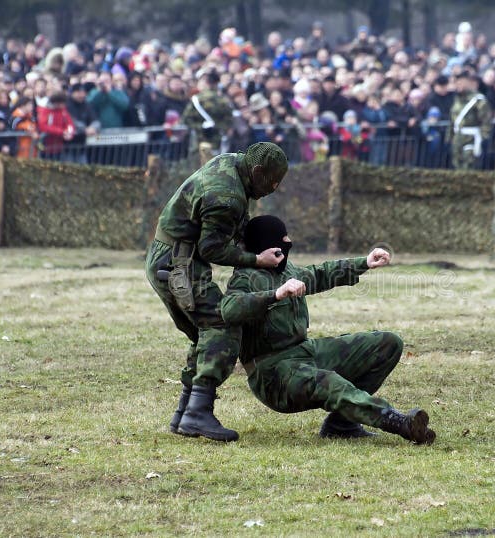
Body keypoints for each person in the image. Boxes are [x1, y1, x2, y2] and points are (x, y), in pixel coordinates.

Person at [220, 215, 436, 444]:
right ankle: (400, 423)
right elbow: (229, 310)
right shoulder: (244, 278)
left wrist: (364, 262)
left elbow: (320, 274)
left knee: (388, 344)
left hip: (305, 352)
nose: (288, 244)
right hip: (274, 375)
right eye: (283, 241)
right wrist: (275, 294)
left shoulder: (284, 270)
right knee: (332, 384)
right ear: (267, 245)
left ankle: (341, 425)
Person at [145, 141, 288, 442]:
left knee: (204, 331)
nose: (274, 187)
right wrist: (255, 259)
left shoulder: (234, 165)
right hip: (177, 263)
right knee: (221, 322)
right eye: (272, 181)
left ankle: (185, 411)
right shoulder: (227, 195)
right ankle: (197, 413)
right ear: (258, 171)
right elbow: (212, 247)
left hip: (176, 255)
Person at [448, 69, 492, 170]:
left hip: (472, 139)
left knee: (469, 168)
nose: (458, 85)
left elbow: (486, 121)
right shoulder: (457, 100)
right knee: (457, 167)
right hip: (457, 138)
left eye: (461, 81)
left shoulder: (478, 100)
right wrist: (450, 137)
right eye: (456, 82)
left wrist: (483, 138)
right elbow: (452, 120)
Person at [181, 70, 233, 150]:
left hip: (199, 139)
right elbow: (229, 120)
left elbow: (186, 119)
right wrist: (218, 127)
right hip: (217, 139)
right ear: (217, 84)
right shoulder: (223, 100)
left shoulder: (196, 99)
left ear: (207, 83)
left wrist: (200, 127)